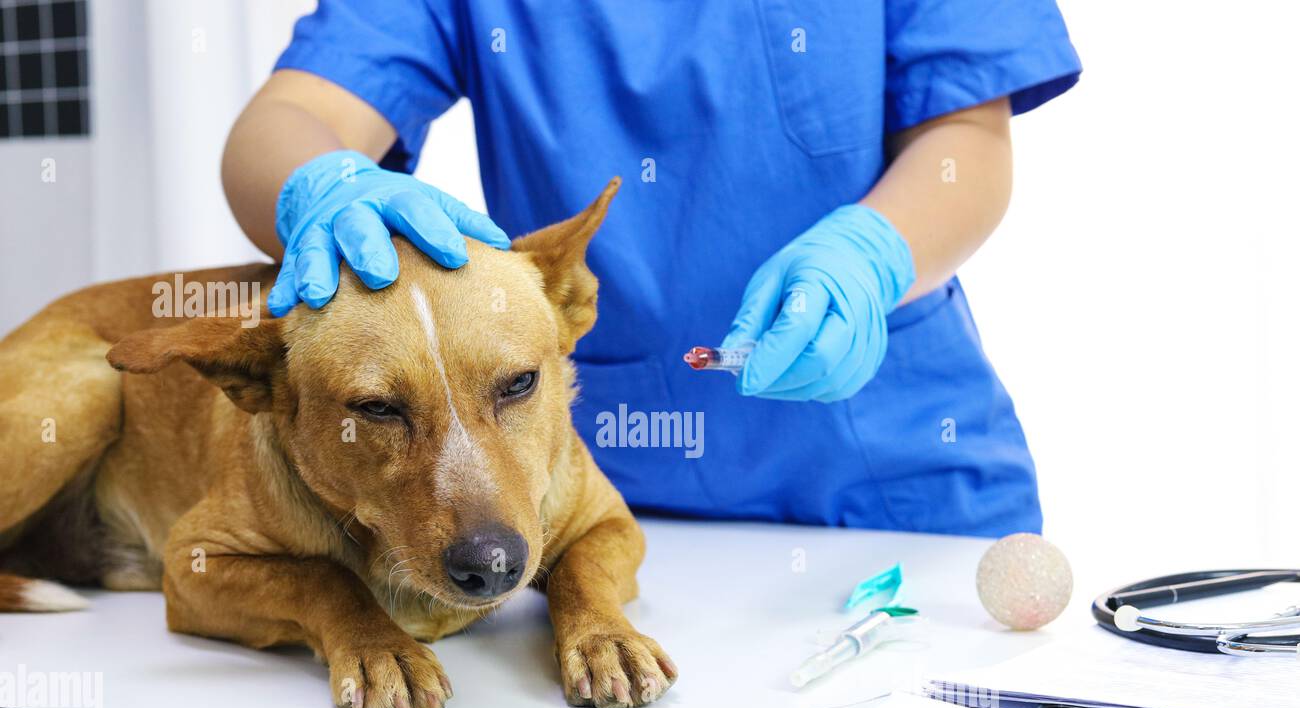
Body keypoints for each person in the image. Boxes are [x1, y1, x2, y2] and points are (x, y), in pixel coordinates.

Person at [222, 1, 1081, 536]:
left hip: (896, 478)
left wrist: (873, 256)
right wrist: (322, 187)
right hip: (597, 502)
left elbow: (965, 142)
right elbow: (289, 115)